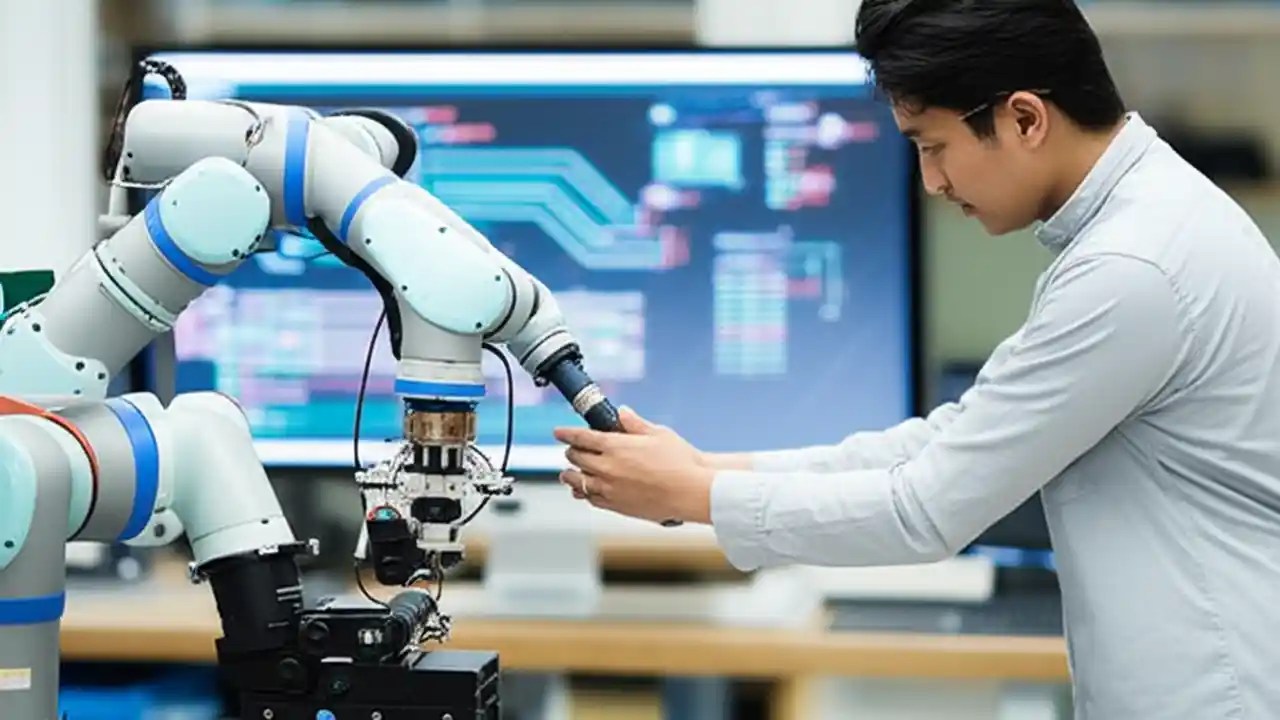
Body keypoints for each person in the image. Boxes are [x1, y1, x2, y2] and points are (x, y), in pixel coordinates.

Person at [554, 0, 1280, 717]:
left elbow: (926, 509)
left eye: (932, 146)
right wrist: (707, 469)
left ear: (1024, 119)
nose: (932, 182)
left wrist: (693, 497)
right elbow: (946, 439)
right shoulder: (1141, 228)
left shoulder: (1134, 267)